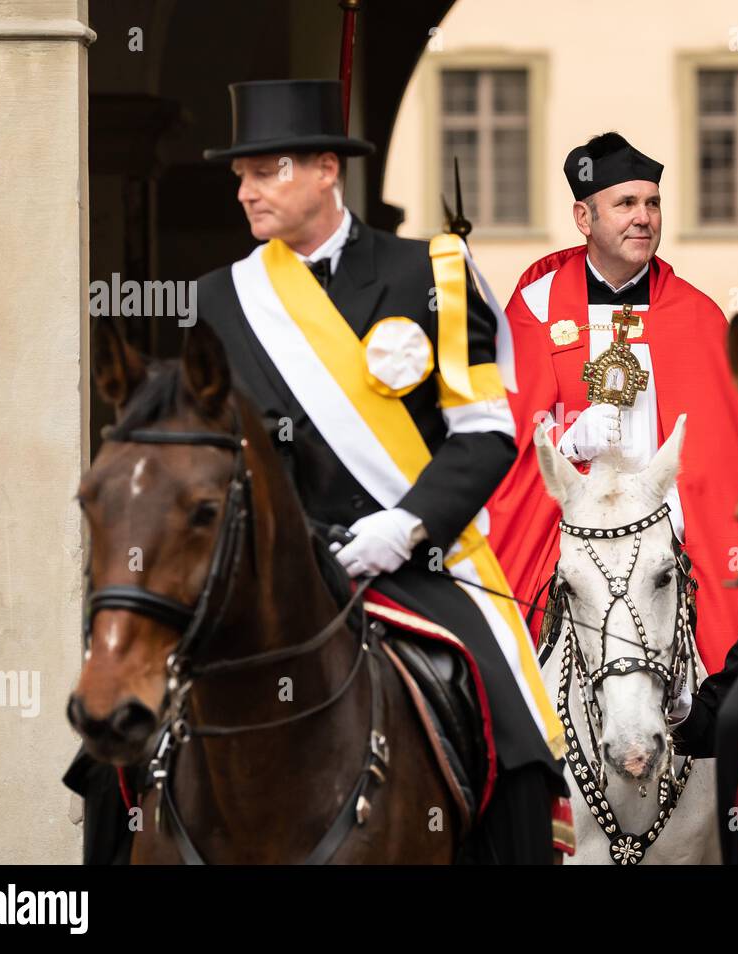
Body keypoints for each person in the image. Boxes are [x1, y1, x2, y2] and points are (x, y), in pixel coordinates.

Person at [67, 79, 568, 864]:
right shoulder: (218, 301)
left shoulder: (432, 272)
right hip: (272, 571)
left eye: (267, 170)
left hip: (415, 562)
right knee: (106, 768)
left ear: (327, 170)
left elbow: (484, 434)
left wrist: (404, 525)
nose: (245, 191)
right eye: (241, 175)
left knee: (515, 739)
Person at [486, 132, 738, 677]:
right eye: (626, 204)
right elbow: (504, 447)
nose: (644, 218)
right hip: (571, 536)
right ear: (583, 219)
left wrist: (676, 510)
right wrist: (567, 445)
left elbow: (726, 464)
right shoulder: (535, 312)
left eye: (652, 203)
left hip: (673, 540)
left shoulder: (700, 318)